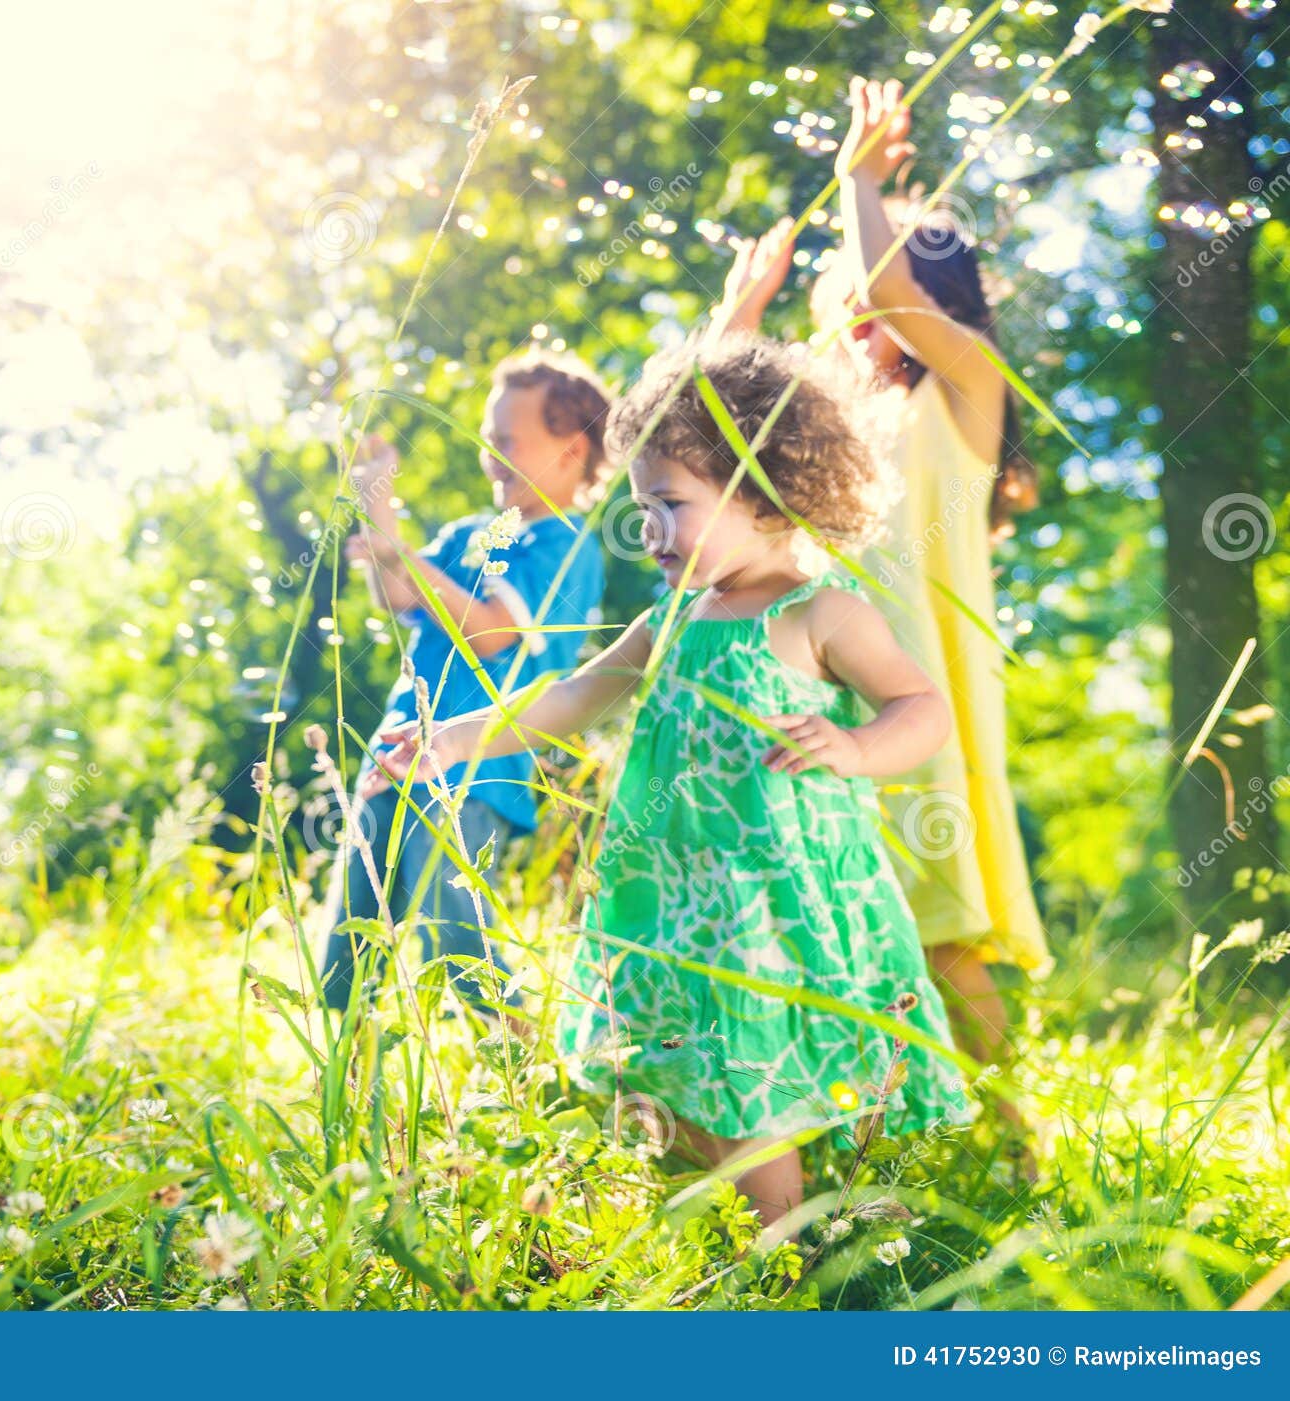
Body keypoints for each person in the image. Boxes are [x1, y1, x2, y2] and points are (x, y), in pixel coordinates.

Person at [372, 334, 974, 1227]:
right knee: (694, 1072)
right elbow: (579, 695)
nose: (648, 529)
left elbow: (921, 707)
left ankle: (791, 1258)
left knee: (764, 1075)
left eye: (669, 503)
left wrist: (855, 748)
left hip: (776, 900)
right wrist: (457, 737)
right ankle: (750, 1232)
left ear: (764, 492)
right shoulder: (672, 616)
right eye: (644, 505)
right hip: (675, 898)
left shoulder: (818, 612)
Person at [711, 77, 1053, 1093]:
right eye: (844, 318)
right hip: (821, 695)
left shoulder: (966, 394)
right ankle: (883, 1134)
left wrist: (857, 182)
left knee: (939, 929)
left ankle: (1011, 1137)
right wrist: (743, 314)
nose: (861, 329)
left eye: (880, 308)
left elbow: (893, 293)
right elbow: (705, 445)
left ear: (938, 311)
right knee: (828, 930)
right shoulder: (828, 442)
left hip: (919, 702)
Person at [317, 349, 610, 1021]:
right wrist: (376, 502)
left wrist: (406, 558)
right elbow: (397, 593)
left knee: (455, 927)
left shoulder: (564, 544)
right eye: (487, 437)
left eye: (506, 439)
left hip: (474, 767)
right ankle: (340, 1049)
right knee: (354, 920)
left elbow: (491, 631)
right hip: (398, 747)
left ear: (571, 450)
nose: (490, 453)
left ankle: (509, 1047)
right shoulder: (470, 533)